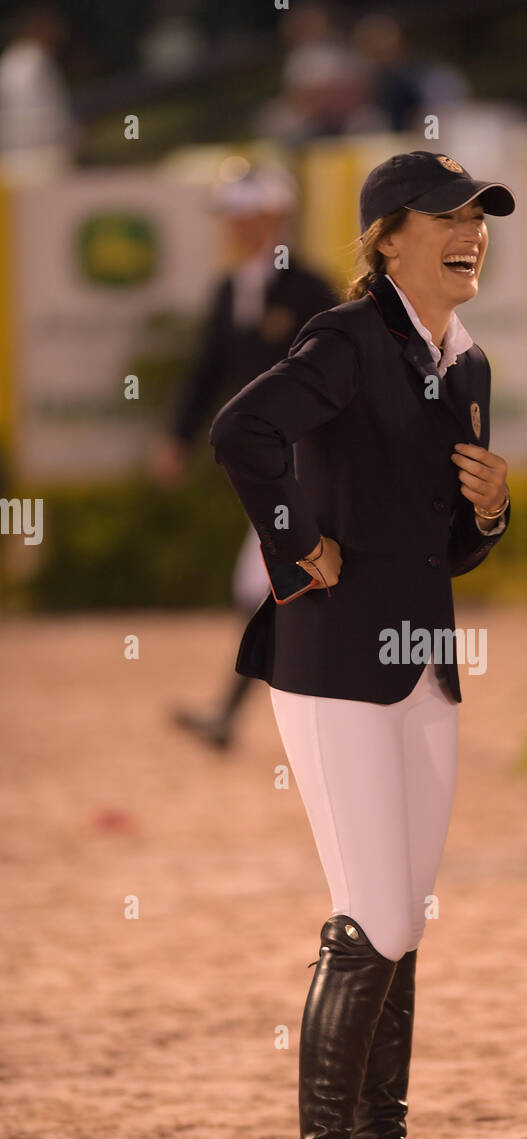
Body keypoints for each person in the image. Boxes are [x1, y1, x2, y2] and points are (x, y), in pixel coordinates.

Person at [209, 150, 516, 1139]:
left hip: (424, 661)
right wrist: (293, 542)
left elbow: (447, 548)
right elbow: (239, 431)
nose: (470, 231)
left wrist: (490, 515)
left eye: (479, 217)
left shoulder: (467, 361)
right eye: (448, 216)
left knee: (401, 924)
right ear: (388, 236)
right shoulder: (343, 338)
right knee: (375, 918)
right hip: (333, 665)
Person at [150, 163, 337, 749]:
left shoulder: (311, 289)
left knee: (266, 582)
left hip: (309, 462)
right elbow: (206, 372)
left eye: (242, 214)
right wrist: (177, 436)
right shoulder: (230, 289)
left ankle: (241, 716)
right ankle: (259, 713)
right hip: (266, 469)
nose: (232, 226)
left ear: (273, 215)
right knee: (273, 584)